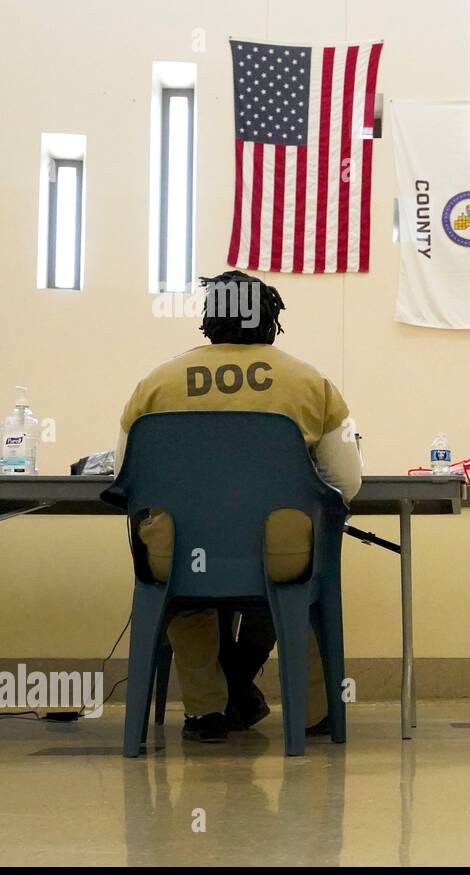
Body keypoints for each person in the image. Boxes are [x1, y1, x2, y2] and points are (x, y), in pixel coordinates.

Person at [116, 270, 361, 742]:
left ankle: (208, 710)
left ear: (208, 320)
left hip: (179, 553)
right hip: (280, 554)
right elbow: (345, 484)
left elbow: (124, 480)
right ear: (271, 321)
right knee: (295, 590)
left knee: (183, 599)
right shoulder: (312, 383)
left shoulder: (155, 383)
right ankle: (311, 713)